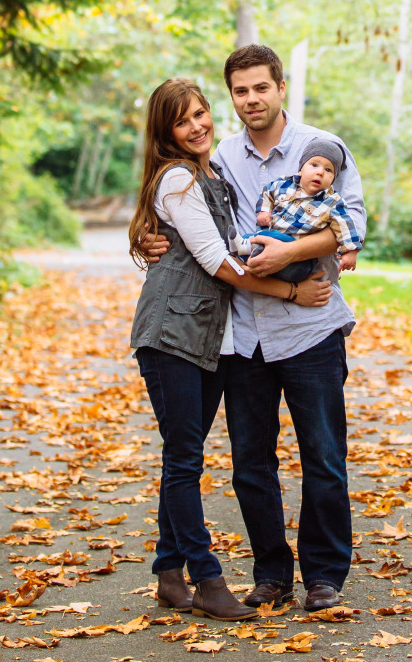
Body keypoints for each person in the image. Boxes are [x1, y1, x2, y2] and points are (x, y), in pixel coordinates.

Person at [146, 45, 366, 613]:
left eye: (260, 88)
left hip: (311, 325)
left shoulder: (321, 148)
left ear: (280, 86)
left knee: (322, 454)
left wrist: (291, 252)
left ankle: (324, 575)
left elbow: (352, 225)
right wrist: (145, 237)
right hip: (244, 332)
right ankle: (271, 573)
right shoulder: (220, 155)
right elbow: (188, 220)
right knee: (251, 463)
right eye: (240, 91)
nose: (250, 100)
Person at [227, 136, 362, 283]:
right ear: (301, 169)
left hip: (299, 263)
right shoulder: (283, 185)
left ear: (333, 179)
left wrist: (351, 251)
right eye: (314, 165)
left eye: (328, 169)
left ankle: (246, 247)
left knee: (268, 238)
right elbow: (267, 193)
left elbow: (345, 226)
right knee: (262, 237)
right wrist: (264, 210)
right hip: (271, 250)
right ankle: (246, 251)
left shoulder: (332, 202)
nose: (320, 172)